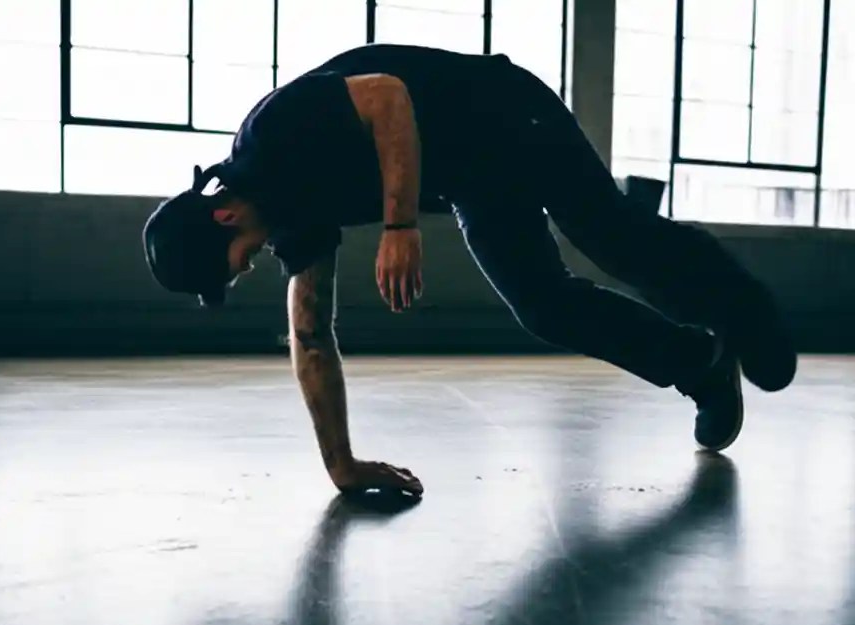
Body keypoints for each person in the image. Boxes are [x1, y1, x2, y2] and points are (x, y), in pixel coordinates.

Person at [142, 44, 797, 497]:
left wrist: (399, 227)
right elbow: (310, 332)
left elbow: (389, 98)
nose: (239, 273)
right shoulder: (286, 217)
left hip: (507, 112)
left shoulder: (274, 130)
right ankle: (702, 364)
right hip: (469, 178)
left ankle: (741, 307)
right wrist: (341, 464)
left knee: (612, 237)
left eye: (222, 270)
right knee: (542, 305)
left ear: (221, 221)